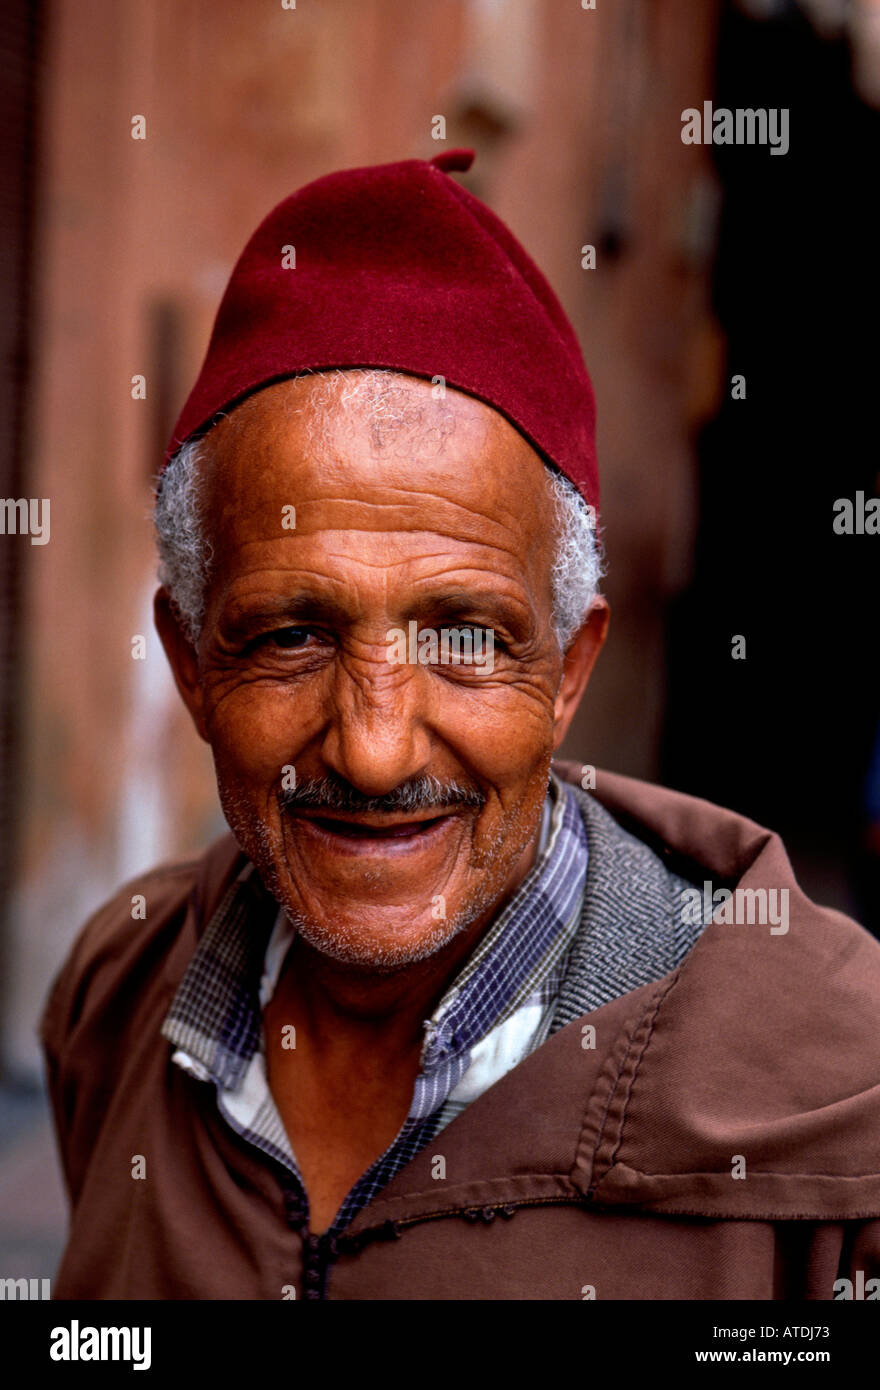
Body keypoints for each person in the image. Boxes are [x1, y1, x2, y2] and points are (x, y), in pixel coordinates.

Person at [40, 150, 880, 1300]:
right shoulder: (119, 1000)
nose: (373, 748)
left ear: (570, 668)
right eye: (290, 634)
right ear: (190, 664)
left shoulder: (838, 1100)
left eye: (468, 637)